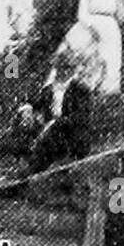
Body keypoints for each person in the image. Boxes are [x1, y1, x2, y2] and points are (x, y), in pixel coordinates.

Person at [17, 39, 94, 171]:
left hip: (72, 137)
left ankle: (31, 167)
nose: (64, 71)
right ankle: (20, 163)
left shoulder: (81, 89)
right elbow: (31, 101)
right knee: (23, 126)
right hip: (50, 135)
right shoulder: (49, 89)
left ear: (73, 69)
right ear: (56, 67)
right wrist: (27, 111)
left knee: (52, 134)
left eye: (68, 67)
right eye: (61, 66)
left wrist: (53, 124)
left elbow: (80, 118)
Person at [75, 0, 124, 94]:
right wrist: (89, 27)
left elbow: (122, 17)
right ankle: (88, 91)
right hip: (93, 23)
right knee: (92, 59)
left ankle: (110, 92)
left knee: (112, 60)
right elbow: (82, 12)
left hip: (110, 26)